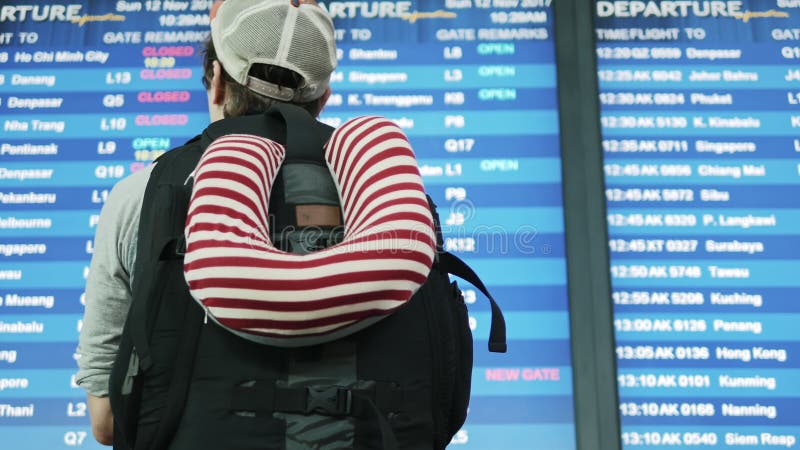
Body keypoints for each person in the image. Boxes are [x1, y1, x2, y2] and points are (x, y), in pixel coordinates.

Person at [75, 0, 337, 444]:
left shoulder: (141, 196)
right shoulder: (383, 197)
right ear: (323, 97)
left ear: (216, 81)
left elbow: (108, 421)